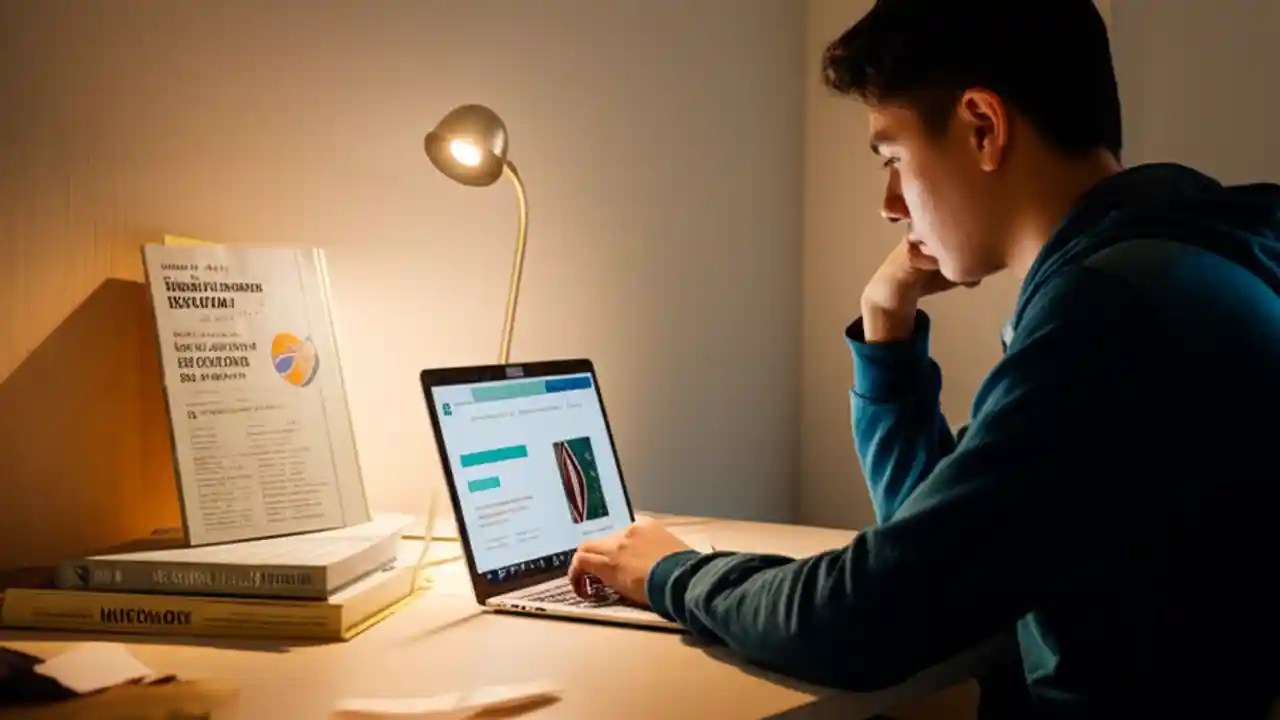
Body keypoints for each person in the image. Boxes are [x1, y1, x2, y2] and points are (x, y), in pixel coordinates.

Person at [568, 0, 1280, 716]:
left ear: (982, 127)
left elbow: (869, 619)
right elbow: (949, 558)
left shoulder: (1112, 319)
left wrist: (674, 575)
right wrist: (888, 333)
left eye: (893, 157)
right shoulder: (1183, 268)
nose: (888, 203)